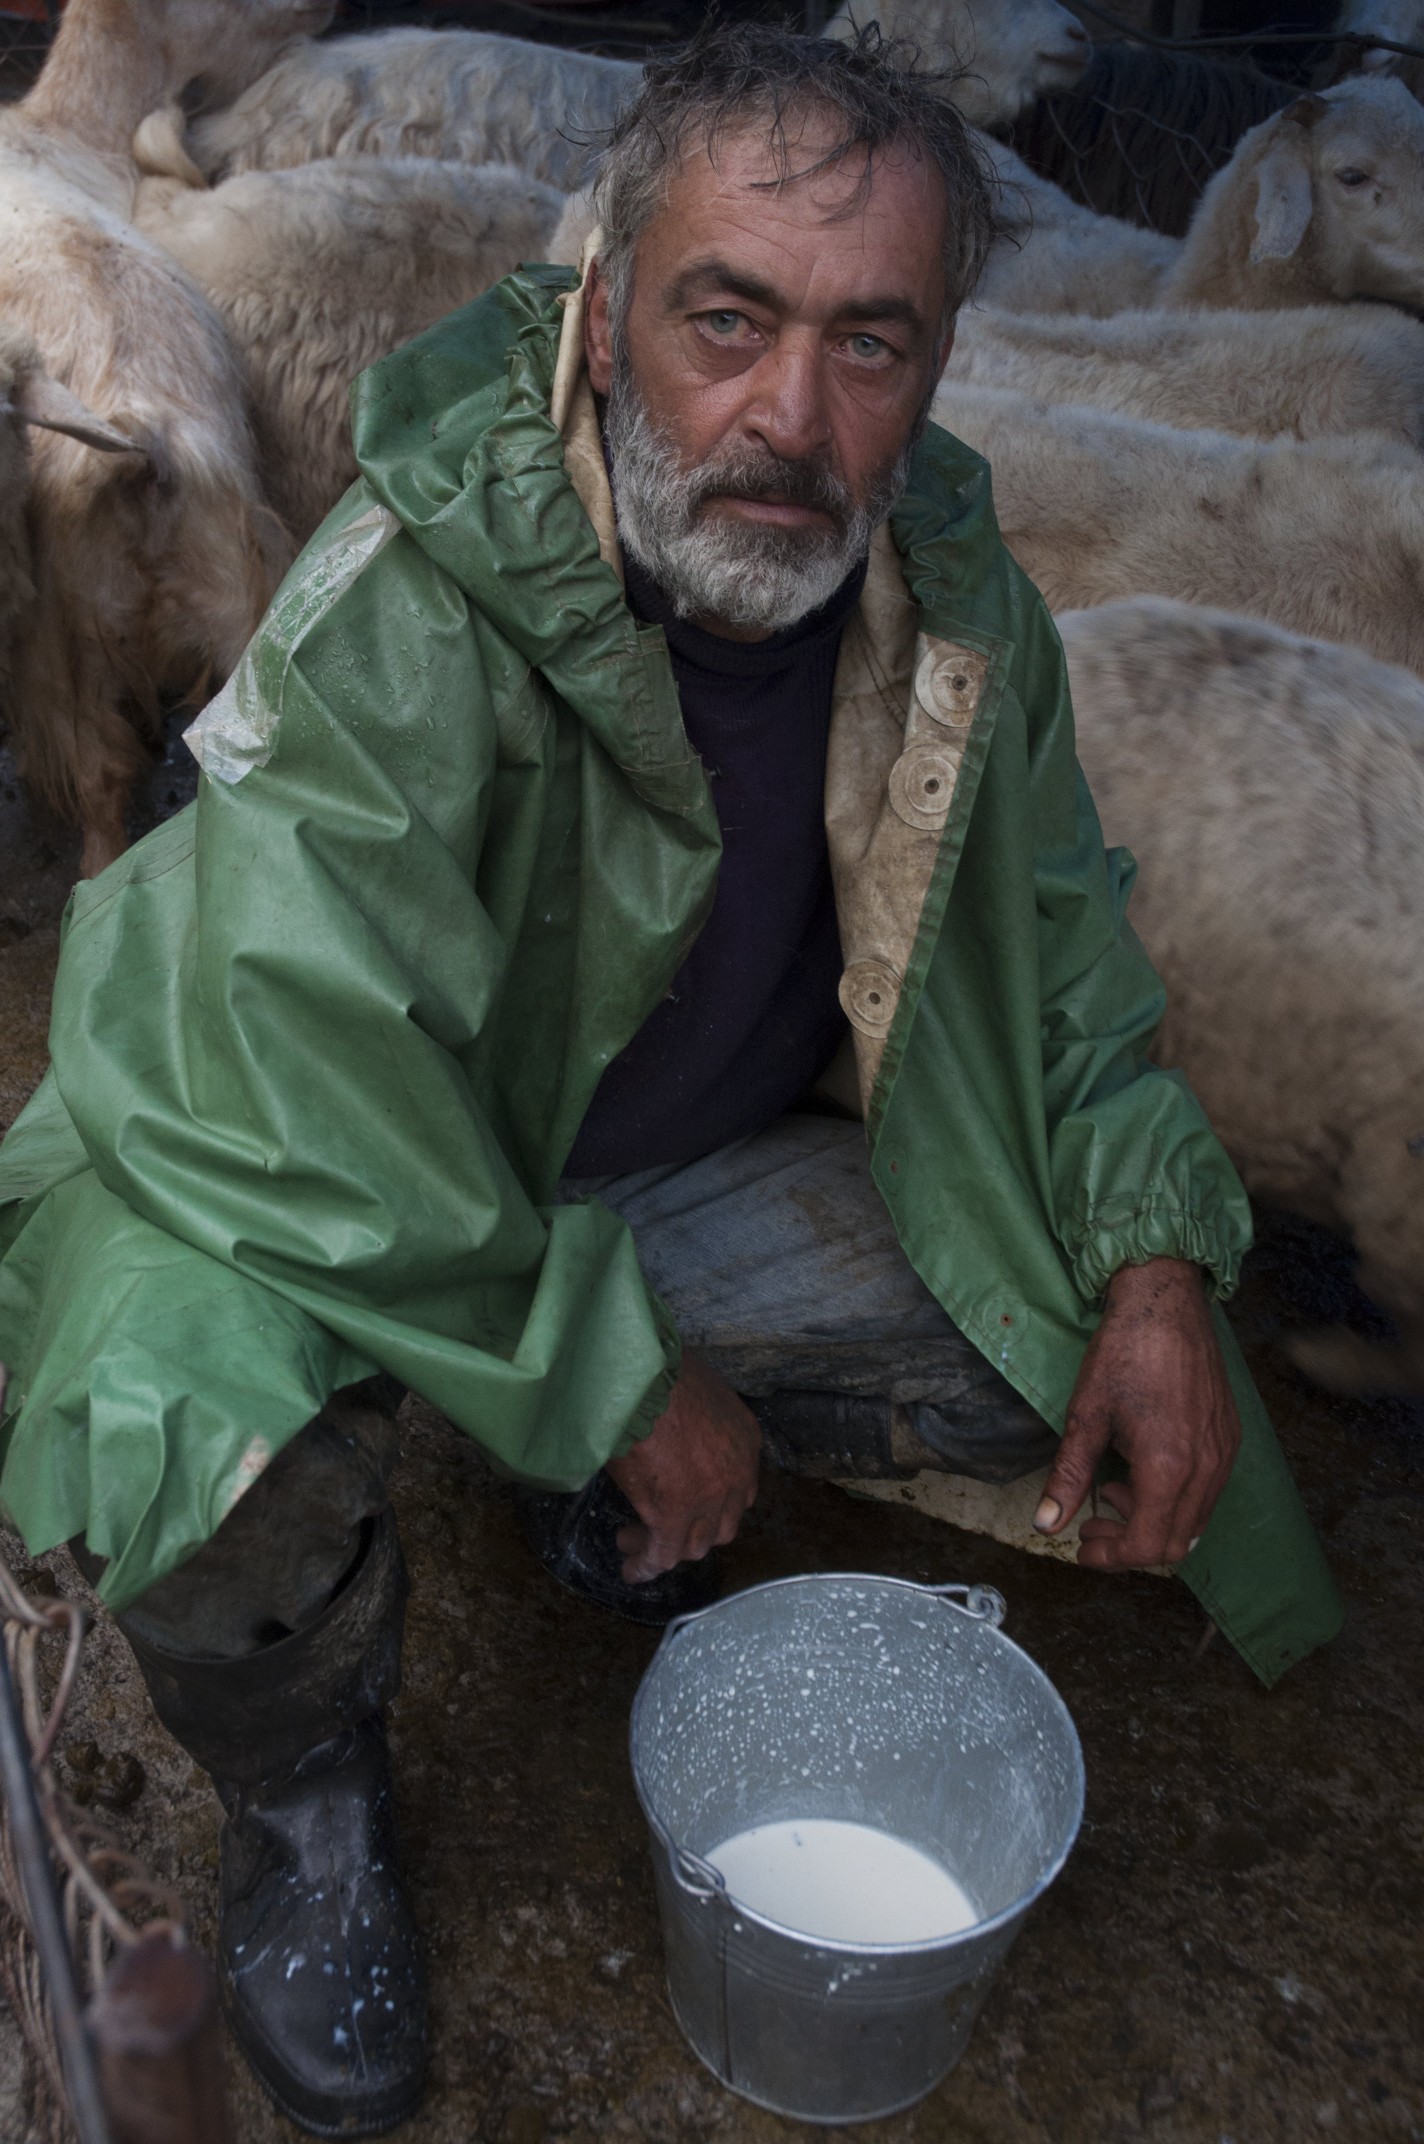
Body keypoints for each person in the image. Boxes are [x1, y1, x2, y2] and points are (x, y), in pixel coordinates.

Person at [0, 25, 1340, 2136]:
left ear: (936, 361)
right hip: (298, 1176)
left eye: (869, 343)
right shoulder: (404, 601)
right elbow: (274, 1067)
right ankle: (310, 1798)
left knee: (1064, 1316)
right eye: (728, 319)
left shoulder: (952, 602)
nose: (788, 419)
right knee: (196, 1408)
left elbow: (1066, 960)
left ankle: (578, 1487)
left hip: (655, 1175)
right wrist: (610, 1365)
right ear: (614, 309)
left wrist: (1167, 1265)